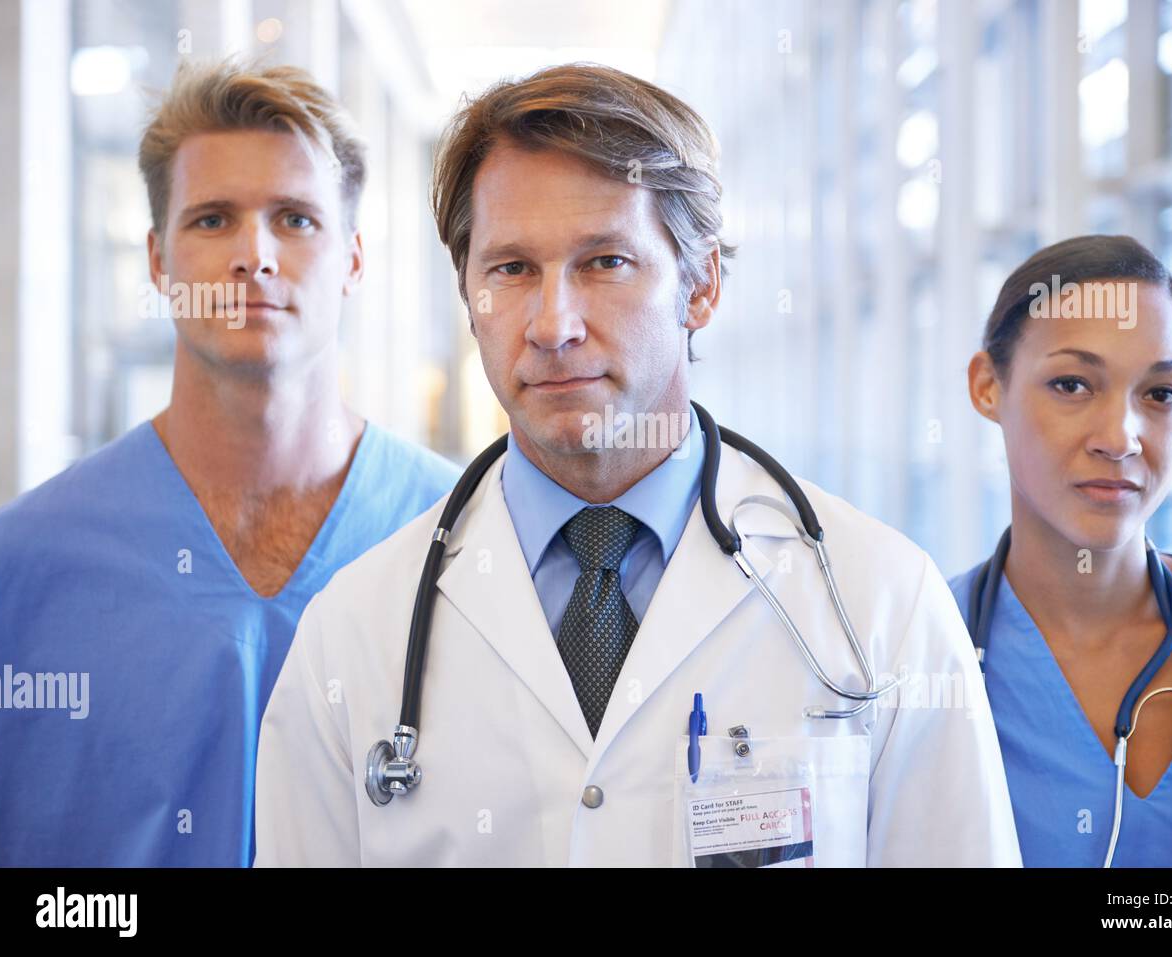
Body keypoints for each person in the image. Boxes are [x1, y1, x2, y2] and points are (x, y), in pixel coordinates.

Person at [254, 63, 1020, 867]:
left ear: (700, 287)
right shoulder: (352, 636)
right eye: (512, 269)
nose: (554, 325)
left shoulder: (881, 603)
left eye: (605, 262)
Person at [0, 60, 459, 866]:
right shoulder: (16, 572)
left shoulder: (463, 537)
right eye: (211, 220)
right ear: (157, 261)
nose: (255, 255)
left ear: (352, 258)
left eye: (296, 219)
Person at [949, 234, 1172, 867]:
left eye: (1161, 394)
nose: (1119, 438)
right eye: (1073, 384)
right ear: (988, 386)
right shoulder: (917, 649)